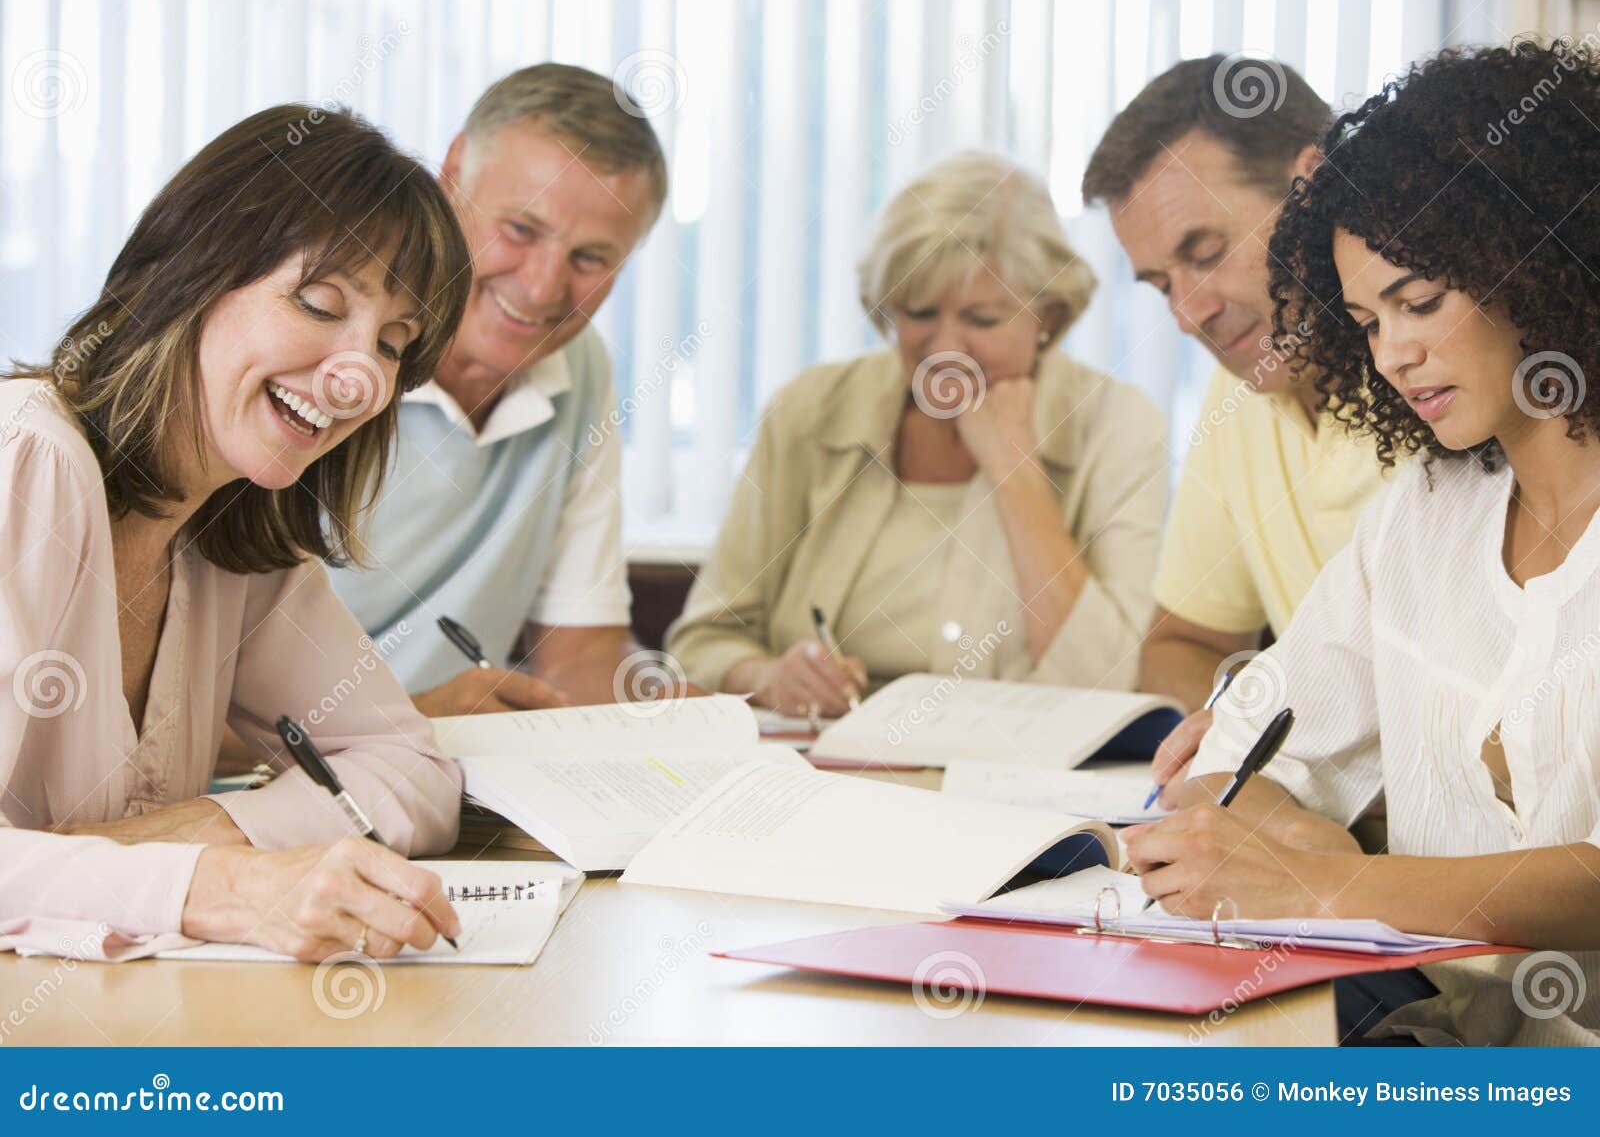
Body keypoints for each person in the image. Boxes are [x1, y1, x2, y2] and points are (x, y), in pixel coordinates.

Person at [1128, 41, 1600, 1045]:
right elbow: (1233, 764)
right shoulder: (1422, 513)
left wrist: (1326, 877)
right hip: (1446, 1057)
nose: (1392, 354)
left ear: (1541, 261)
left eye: (1418, 302)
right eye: (1363, 319)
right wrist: (1275, 832)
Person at [0, 104, 472, 962]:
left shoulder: (236, 531)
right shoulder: (24, 462)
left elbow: (411, 768)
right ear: (188, 273)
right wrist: (221, 884)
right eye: (321, 303)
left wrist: (215, 823)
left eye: (394, 345)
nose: (359, 379)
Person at [667, 152, 1168, 717]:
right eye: (919, 312)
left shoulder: (1118, 426)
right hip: (821, 765)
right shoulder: (809, 412)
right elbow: (701, 643)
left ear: (1047, 314)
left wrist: (1014, 468)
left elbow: (1108, 683)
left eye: (983, 319)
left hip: (1011, 777)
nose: (946, 352)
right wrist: (770, 678)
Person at [1081, 55, 1388, 789]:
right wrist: (1248, 721)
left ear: (1312, 186)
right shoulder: (1238, 407)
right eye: (1162, 284)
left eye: (1206, 252)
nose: (1188, 314)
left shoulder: (1448, 384)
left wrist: (1275, 737)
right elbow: (1178, 644)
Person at [324, 63, 668, 719]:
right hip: (263, 786)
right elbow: (188, 702)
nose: (542, 289)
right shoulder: (330, 343)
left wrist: (663, 717)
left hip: (444, 777)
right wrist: (415, 717)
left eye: (591, 258)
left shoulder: (582, 367)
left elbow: (578, 657)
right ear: (451, 175)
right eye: (520, 230)